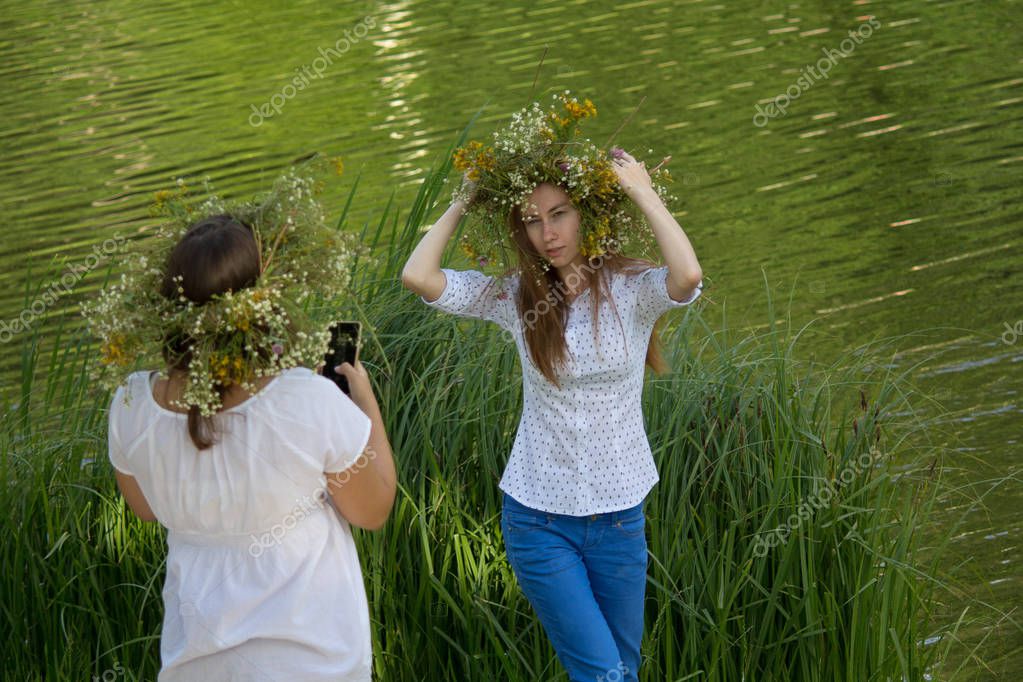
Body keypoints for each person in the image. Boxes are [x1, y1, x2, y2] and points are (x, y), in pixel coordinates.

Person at [401, 125, 703, 681]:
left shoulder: (633, 290)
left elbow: (687, 276)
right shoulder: (516, 297)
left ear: (586, 214)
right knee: (603, 675)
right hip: (539, 520)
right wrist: (466, 198)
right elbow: (418, 276)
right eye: (533, 219)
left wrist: (642, 191)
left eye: (559, 213)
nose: (548, 232)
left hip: (620, 516)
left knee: (623, 670)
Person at [105, 213, 396, 681]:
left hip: (197, 667)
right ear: (261, 304)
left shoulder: (131, 402)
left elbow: (145, 508)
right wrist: (363, 400)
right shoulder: (307, 400)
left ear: (170, 308)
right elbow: (373, 509)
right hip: (313, 664)